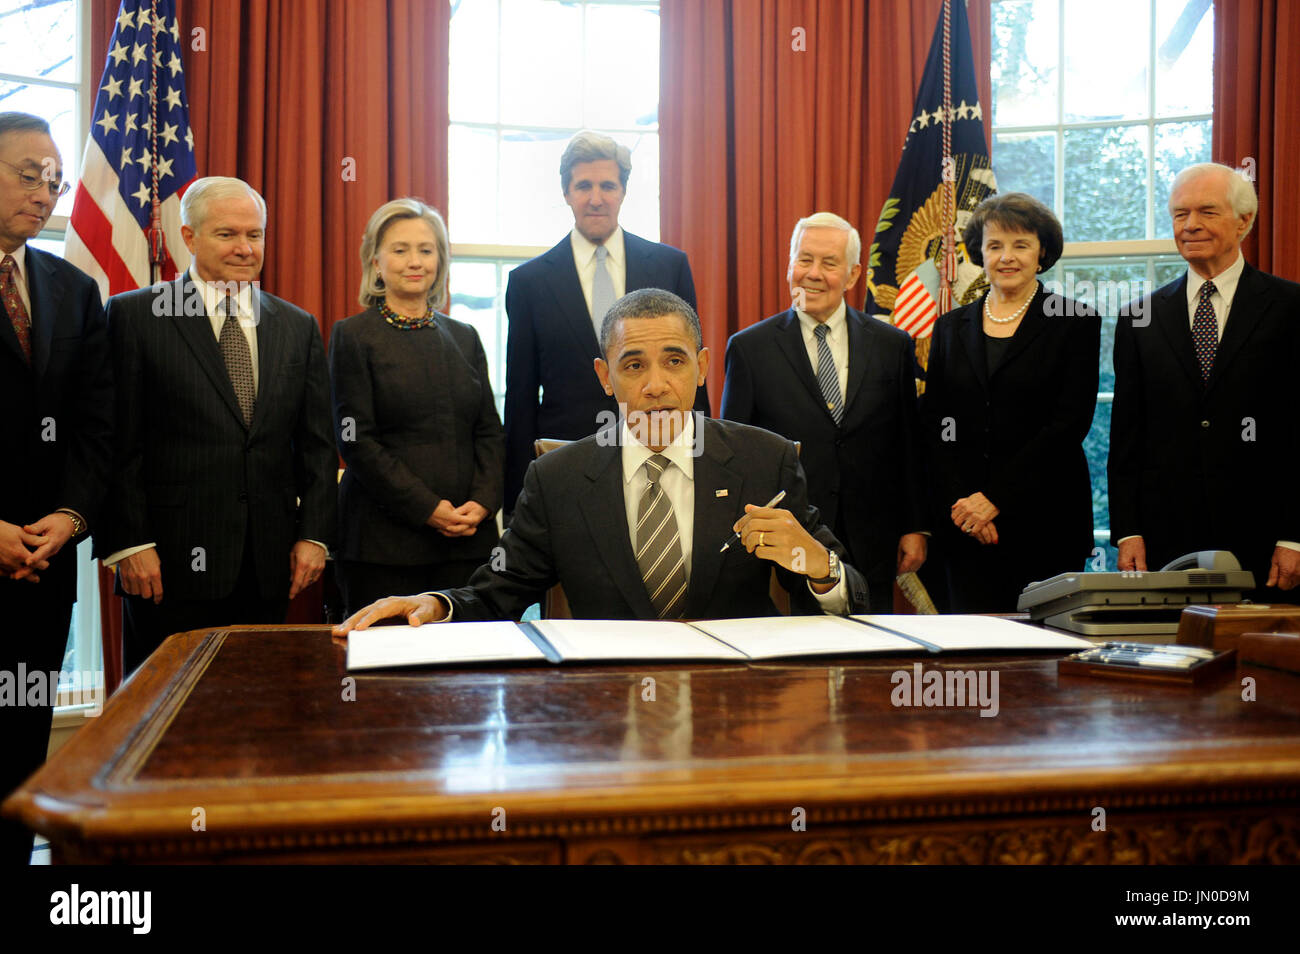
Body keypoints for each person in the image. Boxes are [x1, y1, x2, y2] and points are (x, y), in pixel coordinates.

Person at [334, 288, 869, 631]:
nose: (656, 385)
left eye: (675, 362)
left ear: (702, 368)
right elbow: (497, 593)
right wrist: (434, 604)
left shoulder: (764, 460)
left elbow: (854, 599)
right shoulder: (557, 479)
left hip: (736, 711)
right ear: (604, 376)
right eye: (633, 365)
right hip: (603, 707)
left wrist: (819, 567)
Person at [99, 176, 337, 673]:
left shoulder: (297, 326)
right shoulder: (135, 316)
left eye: (255, 235)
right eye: (228, 234)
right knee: (162, 715)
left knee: (255, 709)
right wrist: (130, 544)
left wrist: (314, 535)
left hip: (269, 565)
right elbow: (116, 442)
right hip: (166, 564)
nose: (245, 248)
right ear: (189, 237)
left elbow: (317, 446)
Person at [0, 112, 112, 864]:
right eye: (27, 174)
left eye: (55, 181)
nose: (45, 193)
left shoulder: (72, 290)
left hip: (43, 571)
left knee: (20, 751)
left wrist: (68, 517)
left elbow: (96, 427)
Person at [721, 212, 927, 612]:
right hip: (785, 538)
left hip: (874, 537)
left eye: (828, 263)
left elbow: (908, 443)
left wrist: (915, 526)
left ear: (852, 276)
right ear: (789, 265)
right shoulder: (750, 349)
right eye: (804, 259)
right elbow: (734, 453)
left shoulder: (892, 345)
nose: (812, 273)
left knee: (872, 656)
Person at [1110, 163, 1300, 594]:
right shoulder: (1139, 317)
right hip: (1166, 541)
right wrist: (1127, 532)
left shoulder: (1291, 308)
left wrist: (1294, 537)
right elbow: (1126, 437)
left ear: (1244, 220)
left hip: (1267, 539)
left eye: (1207, 212)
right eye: (1180, 214)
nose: (1191, 225)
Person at [502, 131, 708, 516]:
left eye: (607, 186)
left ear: (623, 192)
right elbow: (520, 400)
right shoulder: (529, 283)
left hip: (661, 457)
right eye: (583, 186)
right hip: (565, 466)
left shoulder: (669, 266)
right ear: (566, 192)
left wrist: (704, 462)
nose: (596, 198)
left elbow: (692, 373)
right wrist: (516, 501)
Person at [920, 193, 1099, 612]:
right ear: (979, 253)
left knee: (1045, 661)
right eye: (995, 245)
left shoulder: (1074, 322)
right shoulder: (950, 327)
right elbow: (937, 424)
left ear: (1042, 253)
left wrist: (995, 498)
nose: (1007, 257)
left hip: (1047, 522)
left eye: (1020, 245)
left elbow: (1068, 425)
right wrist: (967, 506)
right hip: (964, 524)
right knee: (972, 656)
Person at [328, 199, 504, 617]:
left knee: (468, 673)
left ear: (440, 261)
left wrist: (483, 502)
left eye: (426, 250)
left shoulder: (465, 336)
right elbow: (357, 441)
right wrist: (429, 509)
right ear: (376, 261)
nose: (415, 261)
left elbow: (489, 432)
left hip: (468, 539)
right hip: (383, 546)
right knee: (387, 676)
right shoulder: (352, 336)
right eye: (400, 249)